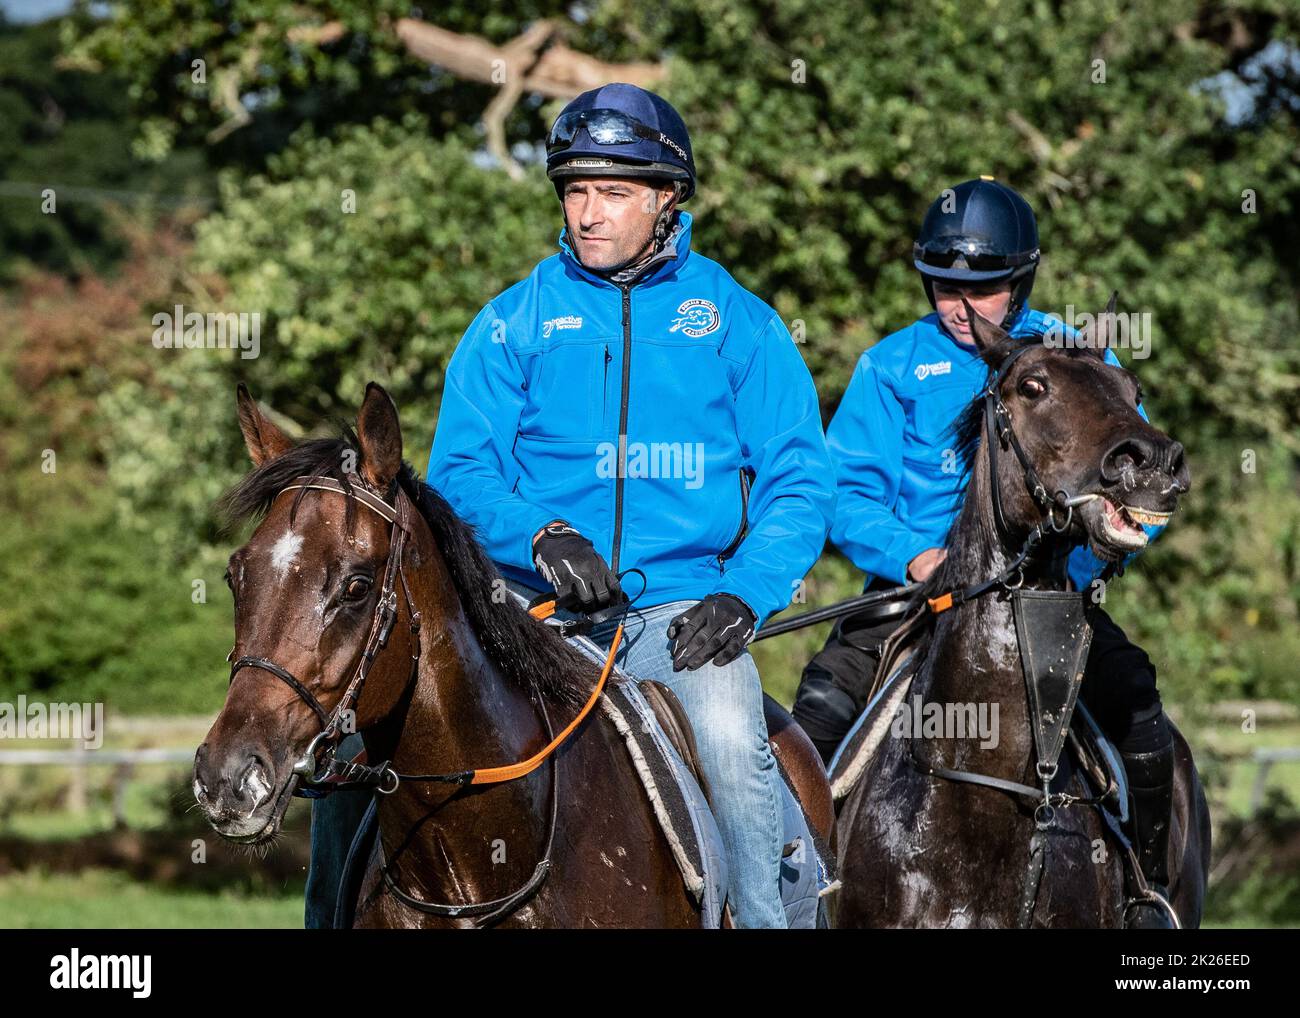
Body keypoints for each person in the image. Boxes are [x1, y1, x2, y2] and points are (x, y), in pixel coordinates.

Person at [305, 83, 835, 929]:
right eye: (576, 191)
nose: (590, 214)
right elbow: (461, 475)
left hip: (682, 618)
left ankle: (769, 922)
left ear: (668, 200)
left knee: (737, 751)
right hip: (525, 613)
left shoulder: (740, 323)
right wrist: (541, 534)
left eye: (615, 192)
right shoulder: (511, 323)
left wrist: (746, 594)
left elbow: (800, 482)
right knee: (356, 752)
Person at [790, 177, 1177, 928]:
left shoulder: (1078, 358)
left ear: (1022, 281)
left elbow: (1134, 491)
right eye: (942, 288)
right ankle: (804, 888)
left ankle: (1146, 893)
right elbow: (845, 491)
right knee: (818, 711)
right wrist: (917, 559)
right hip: (912, 597)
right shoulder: (890, 366)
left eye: (986, 289)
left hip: (1048, 603)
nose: (961, 307)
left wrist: (1080, 568)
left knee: (1140, 713)